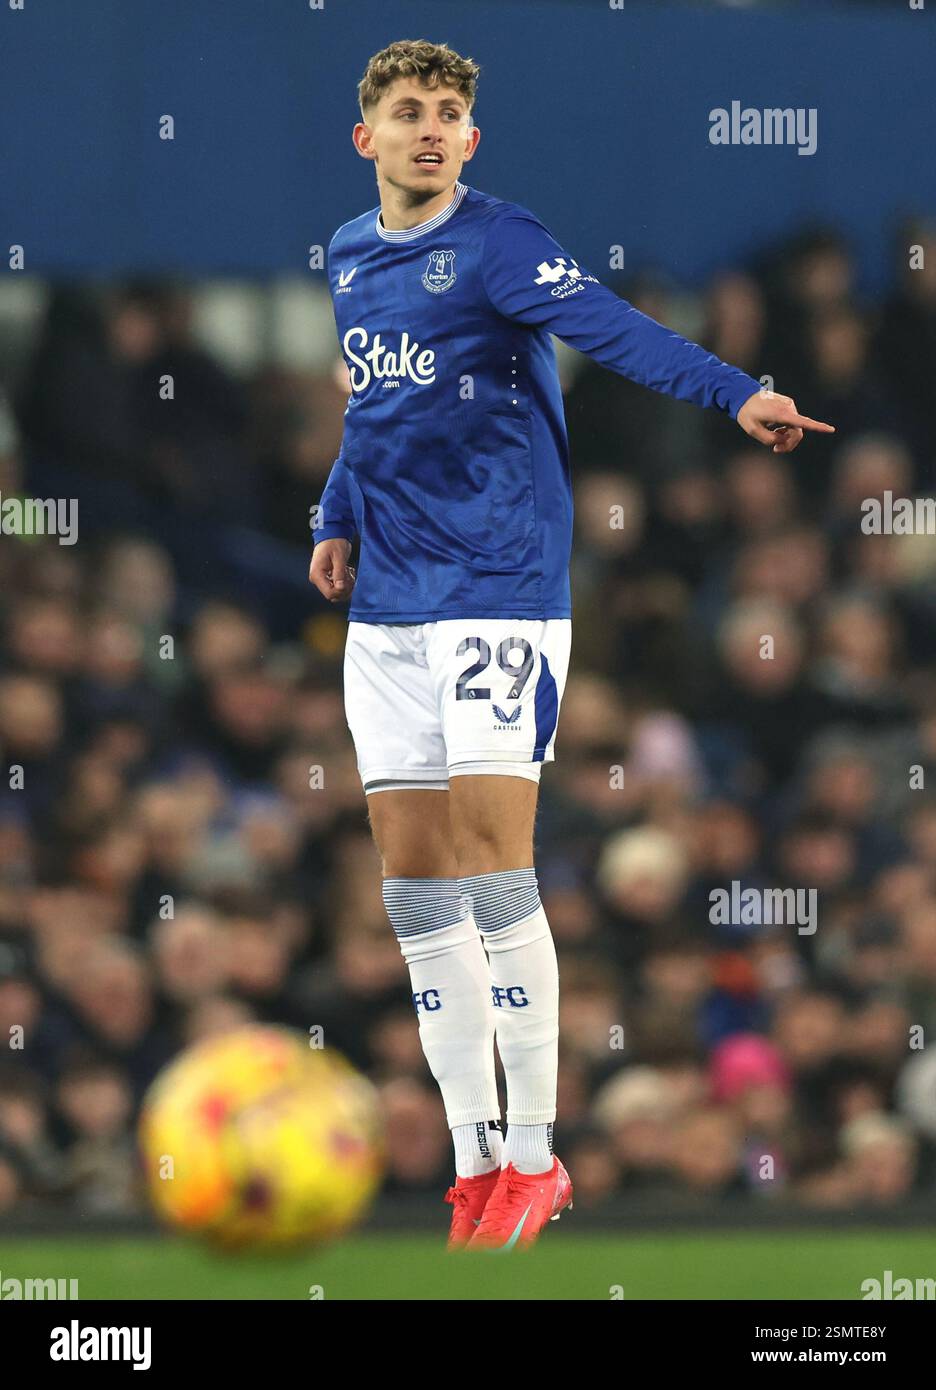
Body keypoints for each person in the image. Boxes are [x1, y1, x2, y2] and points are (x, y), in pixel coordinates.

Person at [309, 39, 834, 1251]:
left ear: (471, 140)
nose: (430, 128)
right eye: (408, 111)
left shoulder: (498, 240)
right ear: (368, 138)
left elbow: (609, 326)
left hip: (497, 588)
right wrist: (337, 516)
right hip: (387, 604)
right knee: (412, 889)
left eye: (449, 113)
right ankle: (474, 1160)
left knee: (498, 869)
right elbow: (371, 403)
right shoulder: (346, 257)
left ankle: (539, 1158)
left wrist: (733, 390)